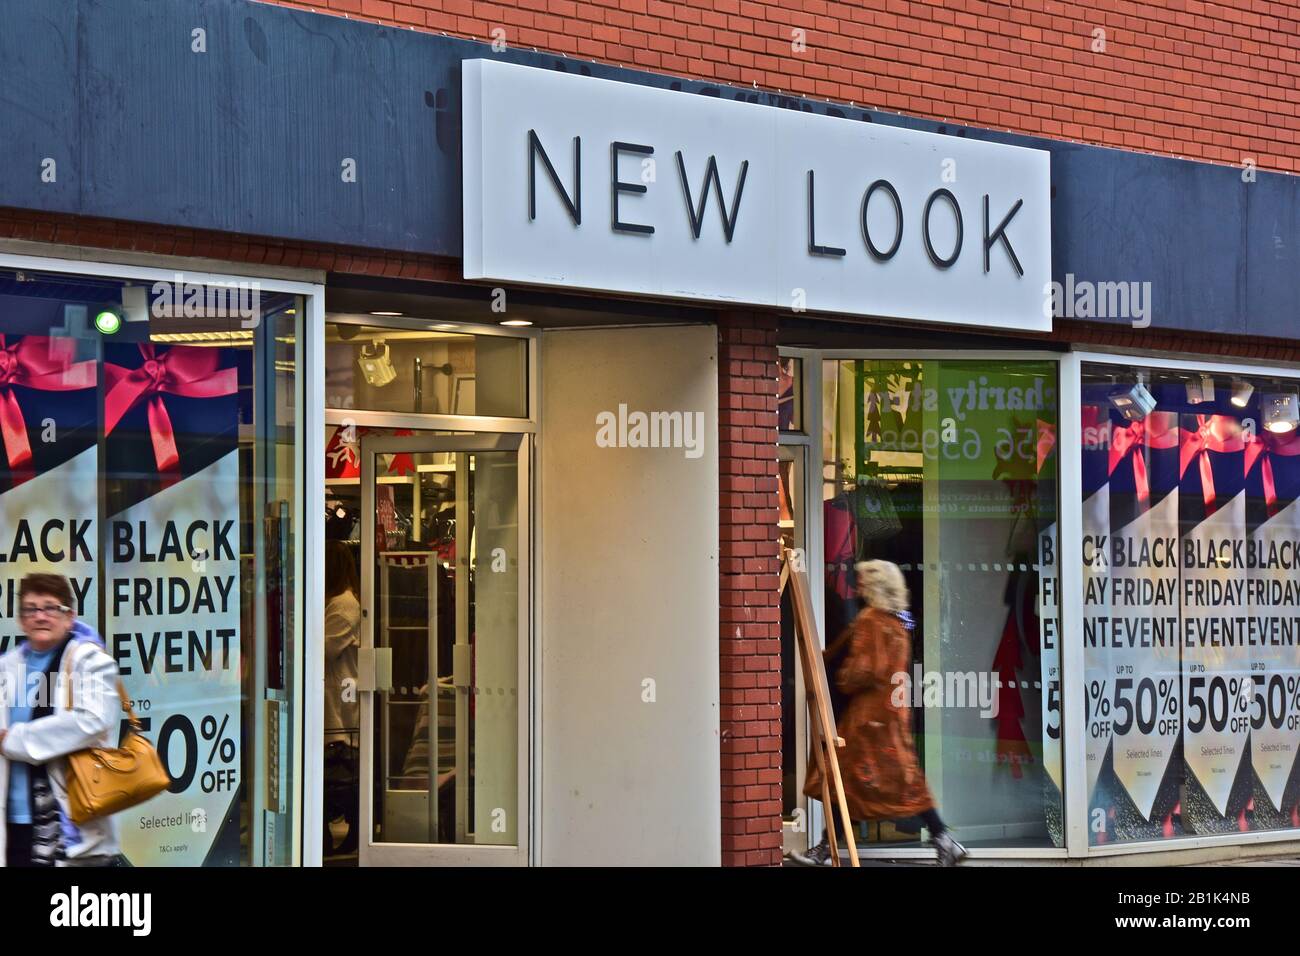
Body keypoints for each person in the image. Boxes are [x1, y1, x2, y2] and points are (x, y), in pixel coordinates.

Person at [794, 560, 967, 867]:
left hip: (866, 719)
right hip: (891, 717)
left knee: (840, 782)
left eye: (862, 579)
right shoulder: (897, 623)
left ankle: (824, 848)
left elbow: (864, 670)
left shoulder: (871, 619)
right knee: (898, 783)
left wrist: (840, 677)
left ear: (874, 585)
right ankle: (942, 839)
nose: (857, 585)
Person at [0, 573, 123, 867]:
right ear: (21, 620)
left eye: (51, 608)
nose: (40, 616)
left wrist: (14, 740)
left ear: (70, 617)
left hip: (65, 821)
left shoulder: (90, 661)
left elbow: (93, 720)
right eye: (31, 609)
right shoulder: (8, 665)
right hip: (13, 821)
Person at [323, 541, 361, 855]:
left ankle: (352, 832)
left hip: (339, 699)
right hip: (337, 697)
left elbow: (322, 649)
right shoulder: (338, 603)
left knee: (338, 771)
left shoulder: (343, 606)